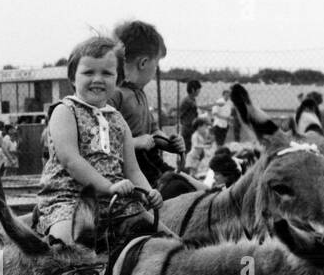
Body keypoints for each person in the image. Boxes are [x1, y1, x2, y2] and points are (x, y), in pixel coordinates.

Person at [32, 35, 162, 244]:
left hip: (116, 203)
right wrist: (108, 186)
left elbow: (132, 170)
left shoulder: (118, 120)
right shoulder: (65, 111)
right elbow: (71, 161)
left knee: (165, 238)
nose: (98, 79)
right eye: (88, 72)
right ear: (73, 78)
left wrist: (148, 192)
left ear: (118, 80)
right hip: (70, 200)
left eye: (107, 73)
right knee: (65, 245)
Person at [109, 19, 185, 188]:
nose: (156, 69)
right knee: (176, 187)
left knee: (184, 183)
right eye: (156, 63)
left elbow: (154, 130)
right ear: (143, 63)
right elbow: (103, 141)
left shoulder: (140, 94)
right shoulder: (115, 95)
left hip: (148, 163)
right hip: (127, 171)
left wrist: (170, 144)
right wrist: (136, 142)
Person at [179, 80, 202, 152]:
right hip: (187, 129)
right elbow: (200, 107)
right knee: (186, 150)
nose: (199, 91)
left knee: (191, 150)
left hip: (191, 128)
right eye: (198, 90)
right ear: (193, 90)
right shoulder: (188, 100)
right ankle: (181, 162)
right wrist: (216, 104)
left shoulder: (192, 99)